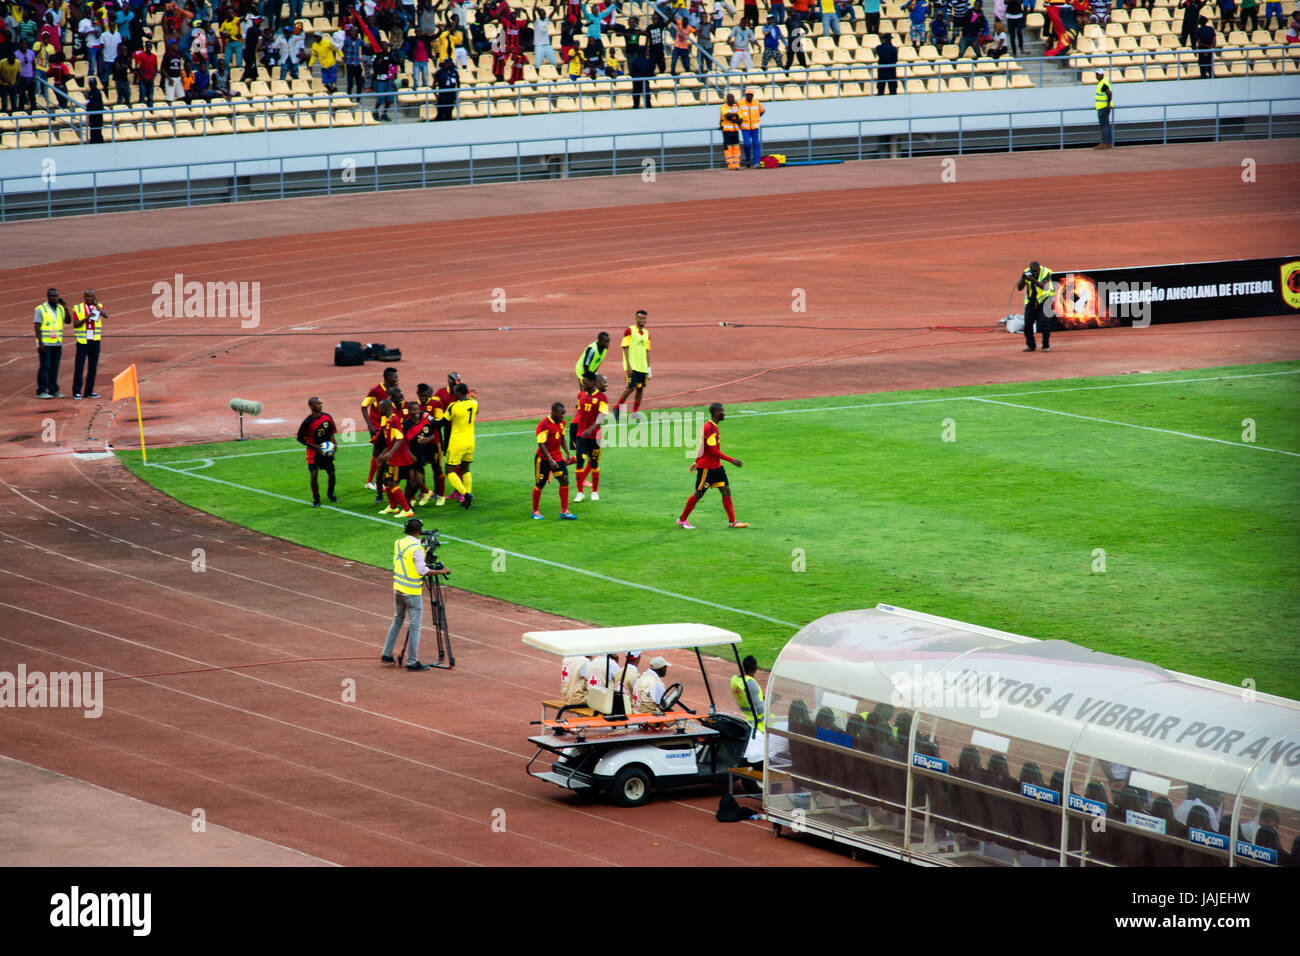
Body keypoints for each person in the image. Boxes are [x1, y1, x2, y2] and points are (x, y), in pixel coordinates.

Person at [382, 516, 451, 671]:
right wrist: (442, 571)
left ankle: (387, 653)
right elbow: (422, 571)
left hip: (398, 589)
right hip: (411, 592)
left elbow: (409, 551)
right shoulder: (417, 550)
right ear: (419, 531)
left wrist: (422, 548)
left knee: (397, 621)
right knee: (414, 626)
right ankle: (412, 661)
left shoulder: (399, 543)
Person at [677, 402, 748, 529]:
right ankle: (682, 520)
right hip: (707, 469)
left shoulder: (713, 426)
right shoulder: (709, 428)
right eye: (722, 411)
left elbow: (703, 447)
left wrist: (695, 460)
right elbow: (713, 451)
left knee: (726, 490)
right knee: (699, 494)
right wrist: (732, 460)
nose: (724, 413)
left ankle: (732, 522)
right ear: (716, 413)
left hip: (716, 467)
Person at [532, 402, 578, 520]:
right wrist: (550, 460)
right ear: (553, 412)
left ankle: (564, 511)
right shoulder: (544, 424)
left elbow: (562, 438)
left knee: (565, 480)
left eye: (564, 414)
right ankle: (535, 511)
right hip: (543, 459)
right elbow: (541, 443)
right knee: (540, 484)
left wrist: (567, 453)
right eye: (561, 414)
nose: (563, 416)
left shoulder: (562, 423)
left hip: (557, 458)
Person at [375, 399, 417, 518]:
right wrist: (383, 454)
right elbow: (390, 442)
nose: (378, 409)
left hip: (398, 458)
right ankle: (393, 507)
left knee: (392, 482)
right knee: (386, 480)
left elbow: (399, 439)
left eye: (380, 407)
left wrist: (390, 453)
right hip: (394, 457)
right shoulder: (389, 420)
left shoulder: (394, 420)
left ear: (385, 408)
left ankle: (407, 509)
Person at [363, 366, 400, 494]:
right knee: (378, 453)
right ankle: (370, 481)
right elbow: (364, 406)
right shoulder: (376, 391)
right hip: (377, 427)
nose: (397, 379)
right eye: (395, 377)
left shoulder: (395, 391)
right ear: (387, 378)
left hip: (388, 426)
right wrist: (370, 426)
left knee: (386, 452)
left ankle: (382, 480)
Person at [574, 373, 609, 501]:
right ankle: (580, 492)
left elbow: (602, 417)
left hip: (595, 436)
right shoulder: (580, 395)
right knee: (579, 463)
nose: (583, 385)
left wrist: (590, 429)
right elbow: (580, 411)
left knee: (594, 463)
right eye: (583, 382)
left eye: (586, 382)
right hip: (581, 436)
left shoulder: (602, 397)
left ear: (593, 383)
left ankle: (595, 491)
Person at [297, 397, 338, 506]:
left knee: (332, 475)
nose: (320, 405)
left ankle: (331, 494)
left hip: (326, 451)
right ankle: (316, 499)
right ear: (311, 406)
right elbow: (300, 439)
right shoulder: (307, 422)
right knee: (314, 475)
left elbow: (331, 432)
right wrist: (315, 447)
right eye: (318, 404)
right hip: (313, 452)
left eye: (321, 403)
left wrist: (335, 443)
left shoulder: (327, 417)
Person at [444, 381, 478, 509]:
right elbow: (477, 411)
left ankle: (465, 493)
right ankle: (467, 497)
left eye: (455, 390)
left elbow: (442, 421)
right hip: (470, 441)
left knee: (449, 470)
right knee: (465, 469)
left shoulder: (453, 406)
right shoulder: (474, 403)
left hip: (457, 443)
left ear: (458, 392)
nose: (453, 392)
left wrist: (427, 418)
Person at [34, 287, 71, 399]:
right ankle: (41, 390)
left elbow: (68, 321)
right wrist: (40, 344)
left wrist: (66, 308)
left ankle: (53, 389)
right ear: (48, 297)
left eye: (56, 296)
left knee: (55, 368)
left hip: (57, 343)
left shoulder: (60, 308)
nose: (55, 298)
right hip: (46, 344)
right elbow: (37, 327)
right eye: (52, 296)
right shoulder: (41, 309)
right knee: (45, 367)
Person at [614, 309, 650, 420]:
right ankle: (617, 407)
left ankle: (634, 412)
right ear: (636, 318)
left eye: (644, 318)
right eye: (640, 318)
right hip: (632, 366)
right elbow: (625, 347)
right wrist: (628, 365)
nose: (642, 320)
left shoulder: (647, 333)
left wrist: (649, 368)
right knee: (630, 387)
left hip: (642, 366)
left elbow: (647, 351)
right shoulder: (630, 330)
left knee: (640, 389)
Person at [70, 289, 107, 398]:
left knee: (93, 367)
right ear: (84, 297)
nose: (90, 299)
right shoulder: (78, 308)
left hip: (95, 341)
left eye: (92, 297)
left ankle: (89, 391)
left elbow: (106, 315)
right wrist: (87, 318)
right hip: (82, 341)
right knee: (79, 367)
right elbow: (75, 324)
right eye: (87, 296)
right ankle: (76, 391)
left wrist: (97, 307)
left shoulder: (99, 306)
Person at [1017, 260, 1055, 352]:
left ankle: (1045, 345)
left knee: (1045, 323)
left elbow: (1044, 286)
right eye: (1033, 272)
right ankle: (1031, 345)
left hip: (1045, 299)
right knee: (1027, 323)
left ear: (1039, 268)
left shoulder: (1046, 272)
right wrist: (1023, 278)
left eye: (1036, 271)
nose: (1035, 273)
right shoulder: (1027, 272)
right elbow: (1019, 288)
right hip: (1032, 300)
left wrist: (1033, 279)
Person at [730, 654, 765, 731]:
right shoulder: (750, 683)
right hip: (759, 725)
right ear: (755, 668)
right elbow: (759, 710)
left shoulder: (734, 680)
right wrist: (770, 701)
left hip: (745, 718)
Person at [738, 87, 765, 168]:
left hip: (755, 127)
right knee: (746, 144)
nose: (749, 96)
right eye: (748, 95)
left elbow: (762, 111)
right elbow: (736, 112)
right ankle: (748, 160)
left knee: (756, 144)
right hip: (745, 128)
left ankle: (757, 163)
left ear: (753, 95)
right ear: (745, 95)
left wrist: (756, 118)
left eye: (751, 95)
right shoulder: (740, 103)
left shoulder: (757, 103)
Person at [720, 91, 742, 170]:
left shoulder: (736, 107)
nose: (732, 99)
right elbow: (727, 116)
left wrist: (733, 118)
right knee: (728, 148)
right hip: (727, 131)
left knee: (736, 148)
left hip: (735, 130)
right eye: (730, 97)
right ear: (727, 99)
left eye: (733, 97)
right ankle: (730, 165)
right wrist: (735, 115)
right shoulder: (723, 107)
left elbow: (740, 120)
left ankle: (737, 164)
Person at [1093, 67, 1113, 148]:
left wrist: (1108, 104)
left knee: (1104, 125)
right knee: (1107, 125)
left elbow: (1109, 93)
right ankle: (1108, 142)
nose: (1097, 76)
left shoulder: (1103, 83)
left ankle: (1105, 142)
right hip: (1104, 107)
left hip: (1103, 107)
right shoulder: (1104, 82)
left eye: (1097, 74)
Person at [85, 79, 106, 143]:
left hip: (97, 116)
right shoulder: (90, 93)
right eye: (90, 84)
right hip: (92, 116)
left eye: (92, 84)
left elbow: (98, 105)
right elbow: (89, 104)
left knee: (97, 132)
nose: (91, 86)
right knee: (93, 132)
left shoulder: (97, 93)